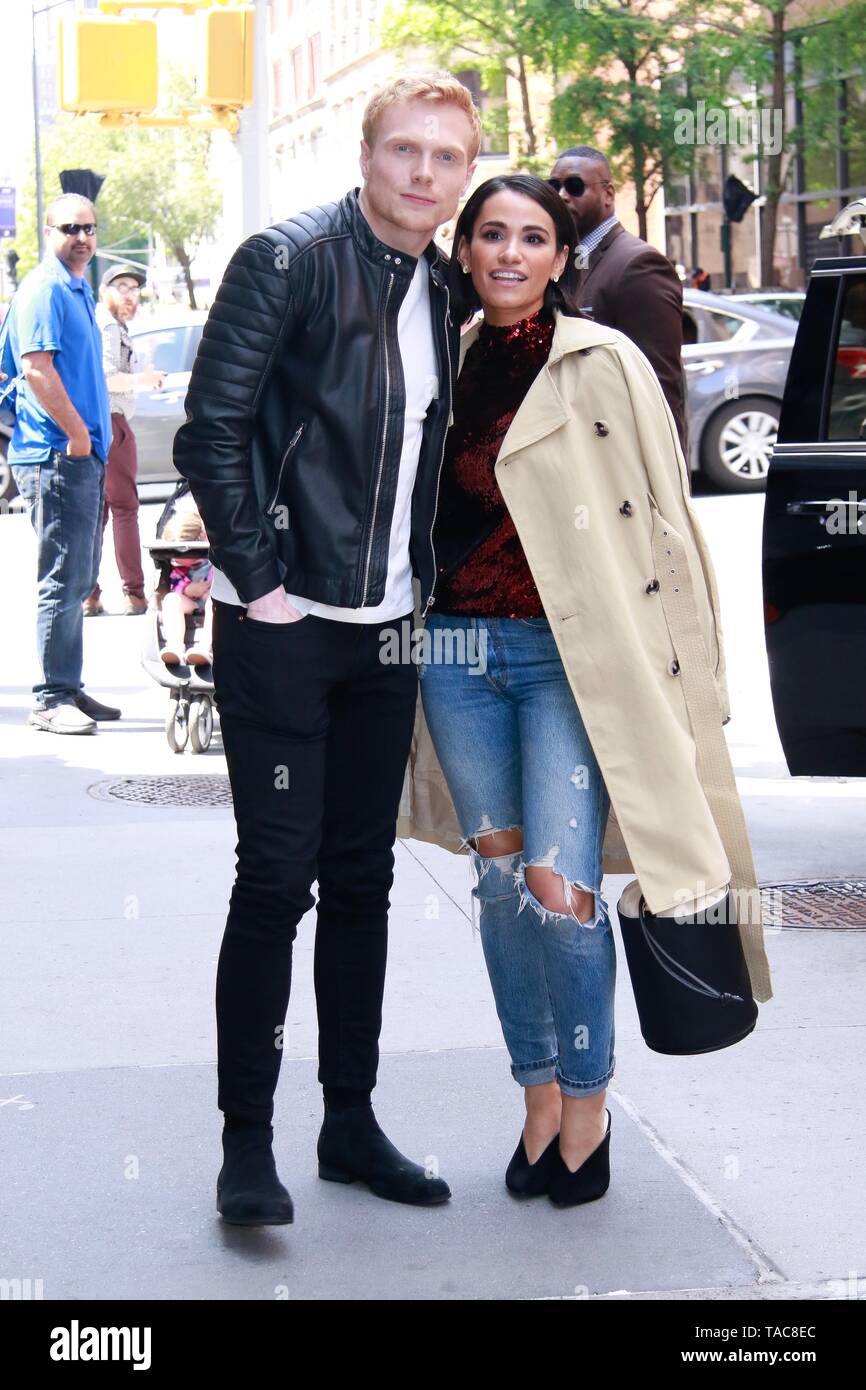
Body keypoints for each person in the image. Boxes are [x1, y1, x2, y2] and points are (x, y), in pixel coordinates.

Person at [401, 174, 772, 1207]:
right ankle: (534, 1092)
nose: (509, 254)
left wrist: (697, 678)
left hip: (571, 663)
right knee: (497, 885)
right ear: (465, 251)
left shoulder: (599, 362)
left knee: (561, 895)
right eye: (490, 236)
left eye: (531, 238)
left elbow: (665, 521)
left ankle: (587, 1102)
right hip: (457, 657)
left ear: (561, 258)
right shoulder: (447, 360)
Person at [172, 74, 480, 1225]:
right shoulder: (288, 260)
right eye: (403, 149)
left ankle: (348, 1121)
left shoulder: (441, 282)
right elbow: (213, 430)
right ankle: (243, 1145)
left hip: (388, 631)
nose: (422, 174)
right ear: (366, 156)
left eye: (445, 158)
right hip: (286, 629)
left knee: (364, 881)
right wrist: (263, 590)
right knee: (274, 881)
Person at [4, 194, 118, 734]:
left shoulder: (76, 289)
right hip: (56, 456)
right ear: (48, 232)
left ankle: (68, 687)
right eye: (71, 228)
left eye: (90, 229)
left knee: (79, 576)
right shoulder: (45, 289)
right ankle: (50, 699)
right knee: (62, 576)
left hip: (82, 455)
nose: (82, 238)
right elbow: (37, 369)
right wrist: (76, 435)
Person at [548, 145, 686, 448]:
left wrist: (665, 486)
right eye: (553, 186)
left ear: (608, 194)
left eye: (574, 186)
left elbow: (660, 388)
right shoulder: (564, 261)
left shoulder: (639, 265)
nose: (561, 195)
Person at [84, 264, 165, 618]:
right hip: (110, 421)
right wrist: (143, 380)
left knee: (97, 512)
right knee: (125, 509)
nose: (130, 295)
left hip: (97, 423)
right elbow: (105, 378)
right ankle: (134, 592)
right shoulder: (107, 326)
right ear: (105, 291)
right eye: (122, 287)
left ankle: (89, 593)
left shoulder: (108, 324)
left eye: (135, 289)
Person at [158, 510, 214, 667]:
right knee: (170, 600)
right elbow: (174, 582)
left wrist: (208, 588)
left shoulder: (211, 556)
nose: (176, 560)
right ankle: (175, 648)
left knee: (214, 600)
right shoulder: (177, 564)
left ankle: (205, 648)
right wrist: (187, 589)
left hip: (212, 599)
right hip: (190, 601)